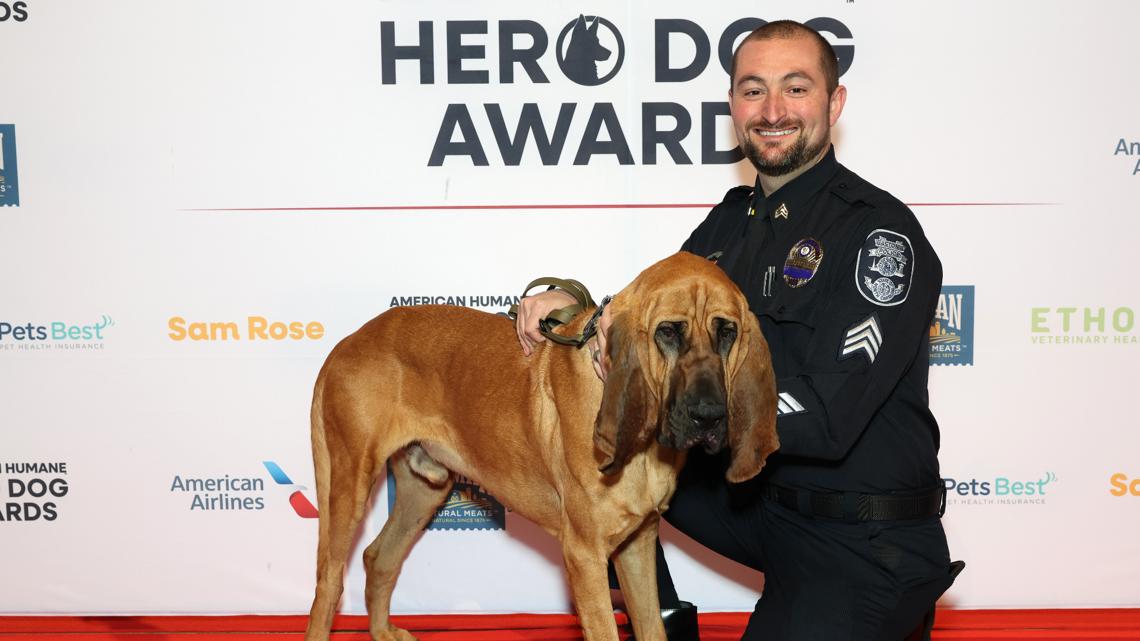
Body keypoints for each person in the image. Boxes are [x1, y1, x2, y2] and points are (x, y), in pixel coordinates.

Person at [515, 20, 960, 641]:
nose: (773, 110)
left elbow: (830, 417)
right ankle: (659, 620)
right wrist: (582, 308)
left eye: (796, 88)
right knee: (603, 462)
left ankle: (881, 610)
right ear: (733, 107)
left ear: (834, 103)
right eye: (753, 90)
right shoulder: (728, 224)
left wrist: (684, 407)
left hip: (860, 535)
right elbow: (648, 314)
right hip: (760, 503)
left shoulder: (879, 235)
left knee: (663, 424)